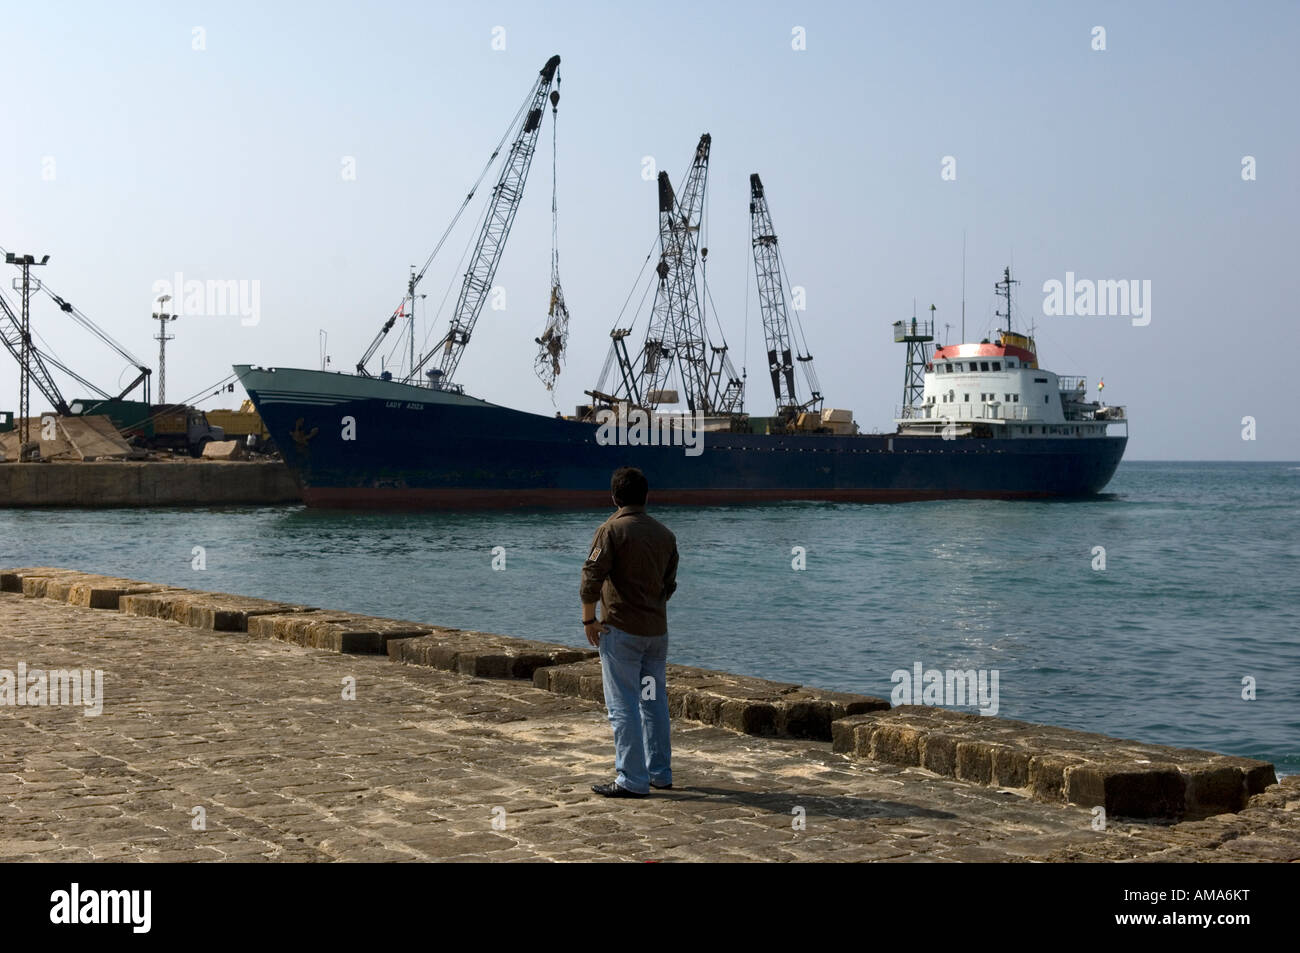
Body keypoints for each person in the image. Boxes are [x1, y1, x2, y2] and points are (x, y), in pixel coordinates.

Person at [580, 466, 679, 798]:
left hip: (622, 633)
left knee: (622, 705)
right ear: (646, 496)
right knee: (653, 702)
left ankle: (631, 779)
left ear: (614, 497)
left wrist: (589, 621)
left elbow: (591, 576)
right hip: (656, 634)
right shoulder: (666, 535)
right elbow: (669, 584)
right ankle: (660, 773)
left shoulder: (610, 530)